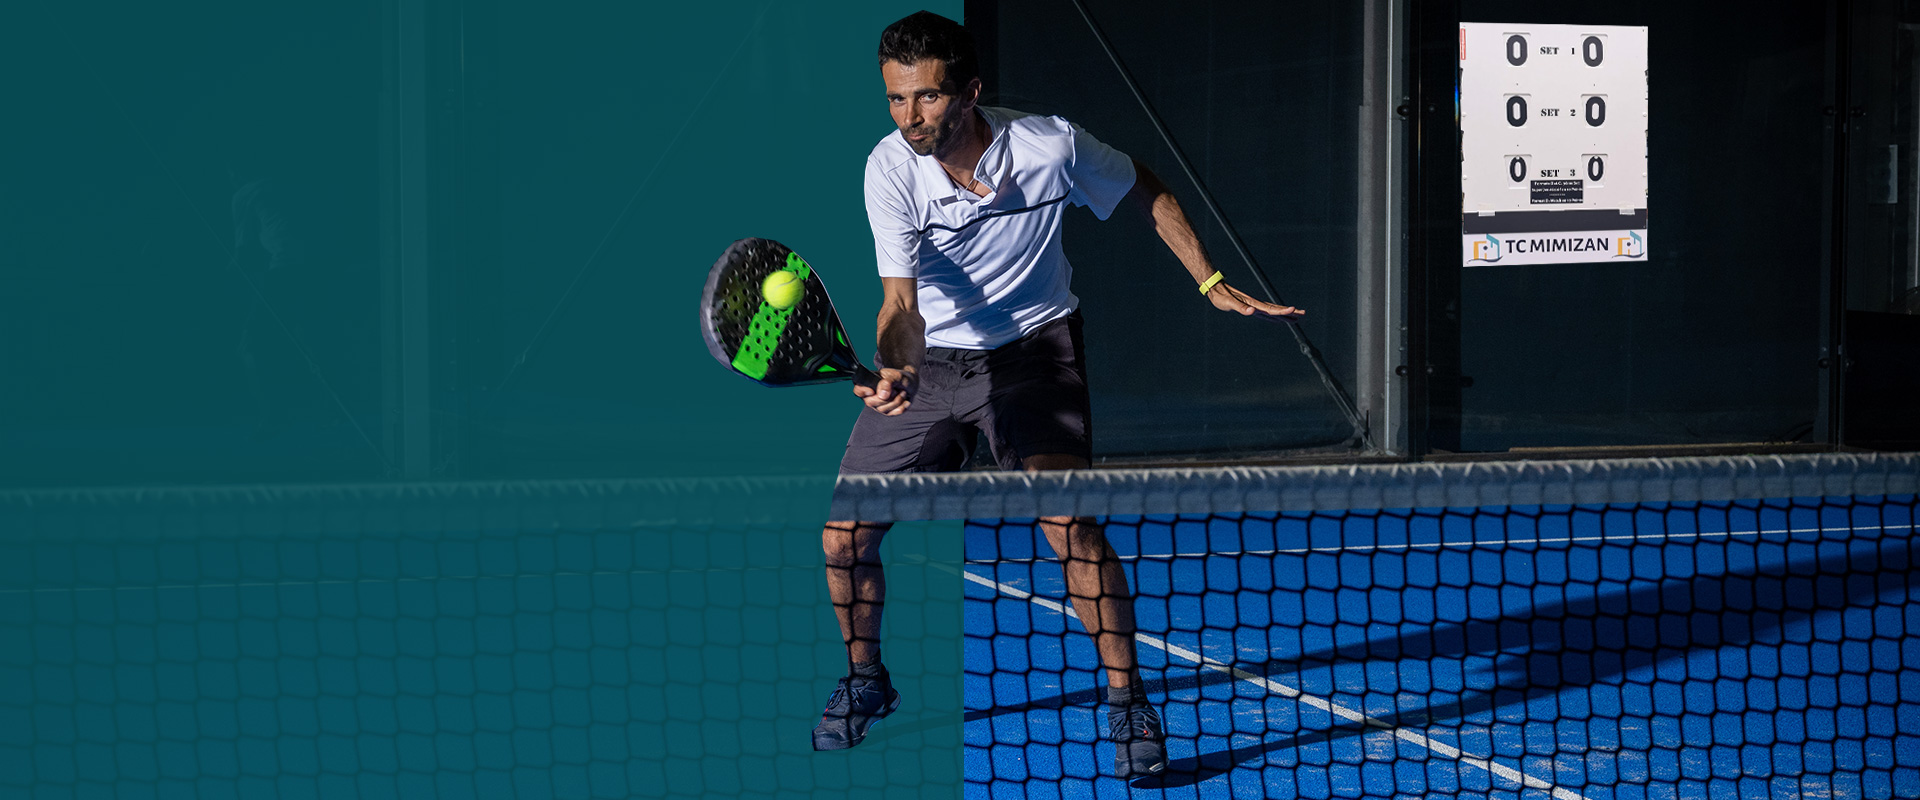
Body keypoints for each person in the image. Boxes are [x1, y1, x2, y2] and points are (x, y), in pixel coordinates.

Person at [812, 11, 1303, 779]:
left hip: (1035, 353)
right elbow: (900, 304)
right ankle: (867, 680)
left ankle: (1127, 700)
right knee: (842, 538)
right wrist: (897, 367)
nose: (911, 117)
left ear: (970, 92)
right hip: (934, 363)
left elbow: (1141, 184)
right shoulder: (888, 169)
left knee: (1071, 526)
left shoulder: (1050, 147)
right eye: (897, 100)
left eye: (929, 98)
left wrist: (1207, 279)